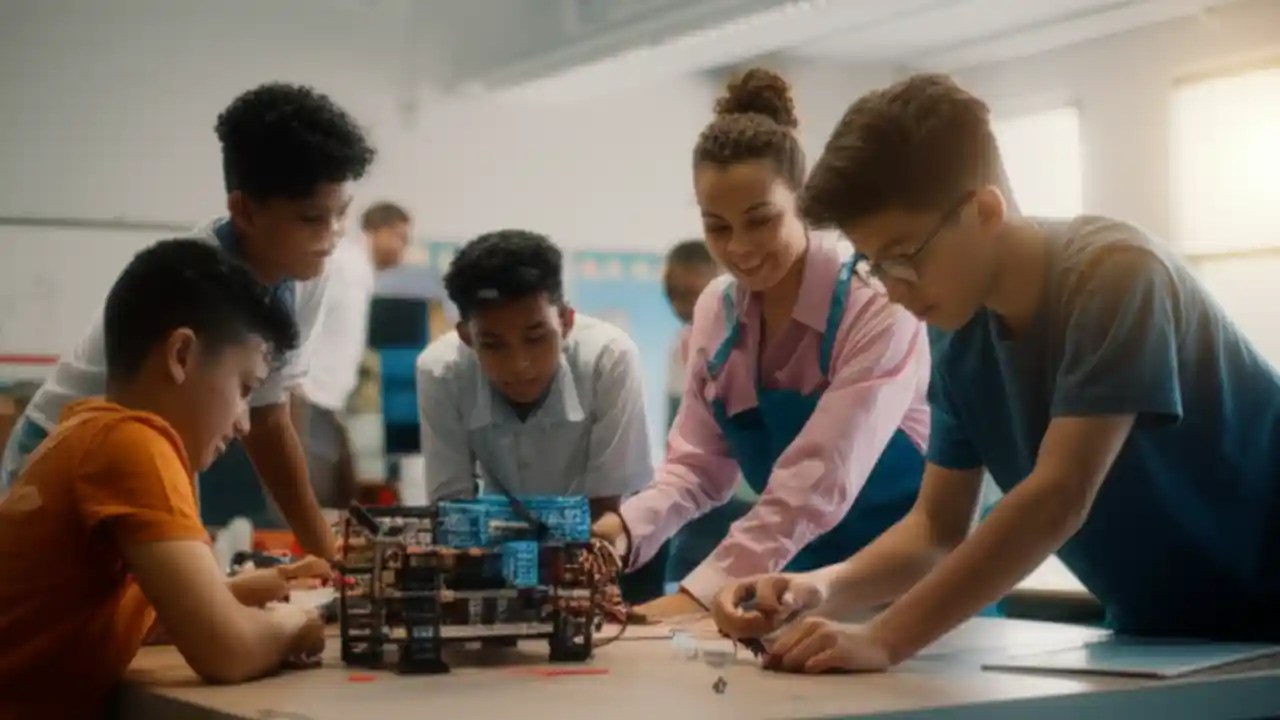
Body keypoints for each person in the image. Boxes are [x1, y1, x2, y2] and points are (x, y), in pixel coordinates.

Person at [712, 73, 1280, 674]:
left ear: (984, 210)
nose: (894, 289)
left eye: (904, 257)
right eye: (874, 265)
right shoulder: (957, 333)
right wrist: (819, 588)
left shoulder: (1116, 276)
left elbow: (1059, 494)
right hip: (1169, 638)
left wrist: (885, 637)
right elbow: (935, 527)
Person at [593, 68, 931, 620]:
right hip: (787, 589)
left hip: (911, 595)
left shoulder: (874, 304)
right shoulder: (716, 310)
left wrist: (694, 599)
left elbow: (814, 483)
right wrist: (624, 531)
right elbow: (696, 468)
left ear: (803, 200)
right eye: (717, 227)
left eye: (761, 220)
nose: (739, 248)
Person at [1, 82, 376, 560]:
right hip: (60, 450)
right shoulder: (189, 282)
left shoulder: (308, 269)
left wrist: (323, 550)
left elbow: (268, 413)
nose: (332, 235)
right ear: (243, 211)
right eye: (311, 219)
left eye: (342, 215)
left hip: (149, 454)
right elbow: (182, 433)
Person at [0, 240, 331, 717]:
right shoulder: (133, 444)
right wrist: (294, 624)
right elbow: (225, 649)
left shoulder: (82, 430)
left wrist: (269, 583)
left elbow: (154, 617)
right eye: (244, 388)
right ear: (181, 355)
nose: (243, 422)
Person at [415, 229, 652, 519]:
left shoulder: (609, 358)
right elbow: (451, 507)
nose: (519, 364)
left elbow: (611, 507)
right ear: (466, 337)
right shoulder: (442, 371)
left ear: (565, 321)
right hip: (495, 540)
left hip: (601, 536)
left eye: (536, 338)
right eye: (493, 345)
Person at [294, 201, 411, 508]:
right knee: (317, 497)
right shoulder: (346, 266)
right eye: (400, 238)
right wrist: (296, 383)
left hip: (327, 402)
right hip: (310, 396)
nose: (403, 249)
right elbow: (302, 319)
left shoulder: (358, 271)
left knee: (341, 494)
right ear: (378, 231)